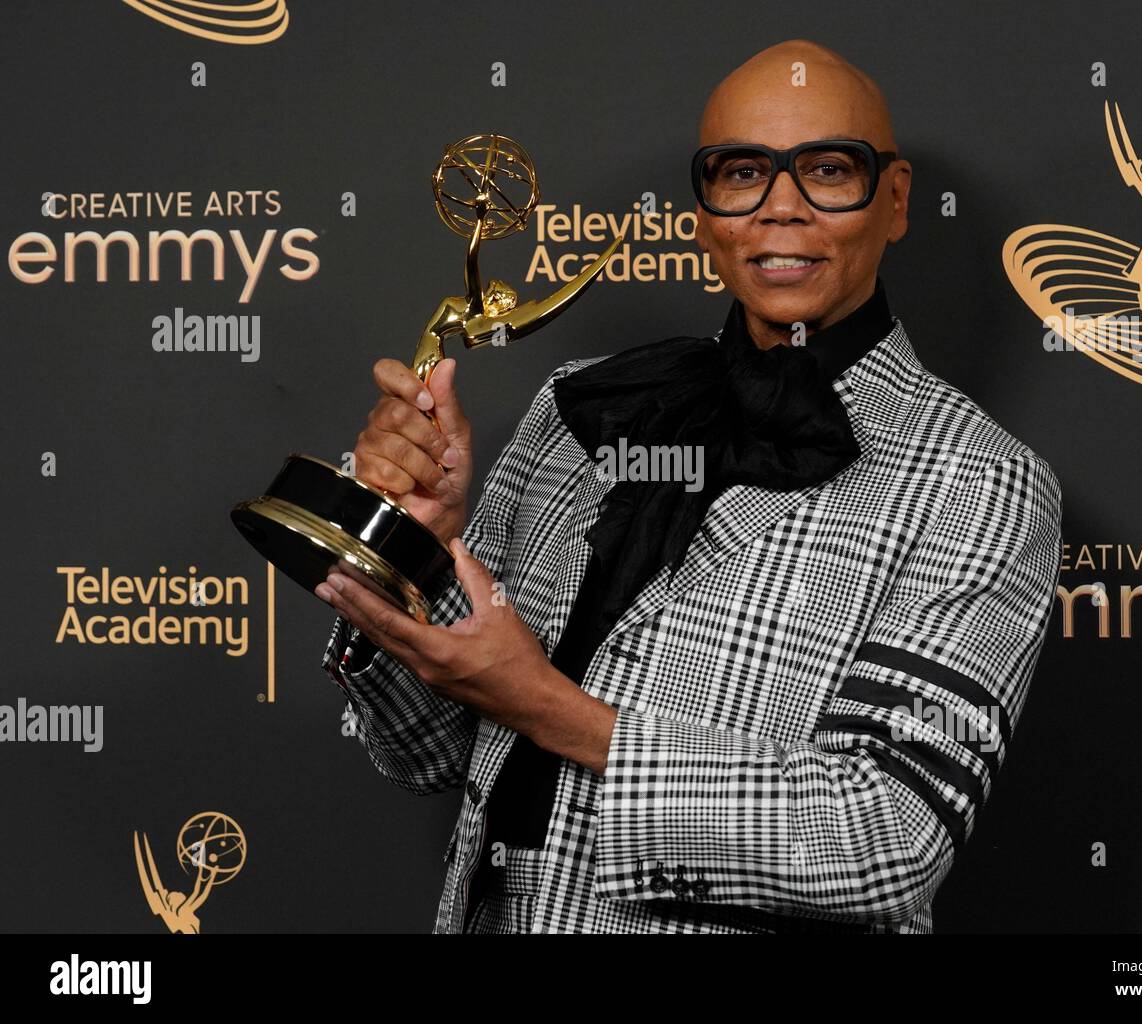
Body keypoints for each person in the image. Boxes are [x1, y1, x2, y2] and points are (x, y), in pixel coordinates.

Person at [317, 39, 1063, 934]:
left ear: (894, 200)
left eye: (829, 169)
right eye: (742, 173)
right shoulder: (584, 408)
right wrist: (419, 551)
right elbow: (430, 754)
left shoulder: (977, 481)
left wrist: (554, 710)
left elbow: (884, 844)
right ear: (704, 211)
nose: (781, 209)